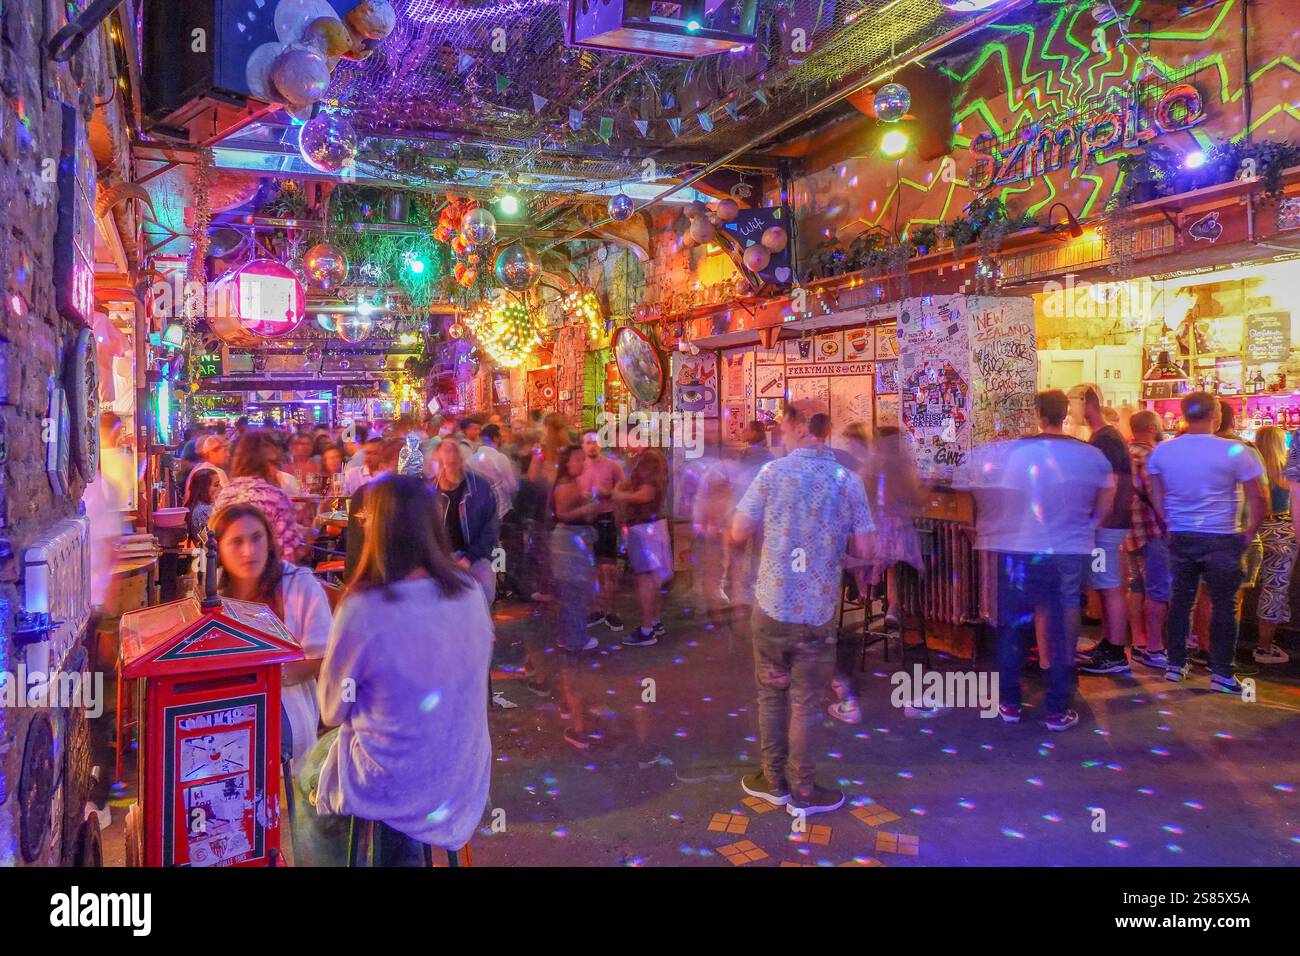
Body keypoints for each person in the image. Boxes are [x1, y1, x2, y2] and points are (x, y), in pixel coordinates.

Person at [316, 475, 492, 863]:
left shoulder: (365, 607)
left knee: (305, 776)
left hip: (399, 783)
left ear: (376, 528)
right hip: (464, 774)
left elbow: (332, 709)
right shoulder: (468, 590)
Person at [731, 399, 874, 817]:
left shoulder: (772, 473)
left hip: (772, 606)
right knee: (806, 703)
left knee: (770, 695)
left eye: (783, 420)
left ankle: (773, 782)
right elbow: (866, 547)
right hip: (816, 613)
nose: (779, 428)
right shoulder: (847, 480)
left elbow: (739, 530)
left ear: (797, 426)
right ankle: (806, 791)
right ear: (825, 430)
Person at [973, 390, 1114, 732]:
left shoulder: (1020, 453)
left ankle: (1009, 703)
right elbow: (1108, 494)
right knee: (1063, 630)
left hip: (1021, 549)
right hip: (1068, 550)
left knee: (1014, 628)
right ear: (1066, 414)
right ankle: (1056, 710)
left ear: (1039, 414)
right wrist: (1090, 524)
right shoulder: (1091, 455)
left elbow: (1007, 497)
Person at [1147, 392, 1266, 693]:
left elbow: (1156, 492)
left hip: (1181, 534)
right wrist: (1249, 531)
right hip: (1222, 536)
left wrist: (1168, 522)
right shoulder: (1236, 451)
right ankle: (1222, 674)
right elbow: (1258, 496)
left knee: (1181, 602)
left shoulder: (1163, 451)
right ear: (1216, 415)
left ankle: (1175, 666)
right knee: (1224, 606)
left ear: (1185, 414)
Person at [213, 504, 331, 765]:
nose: (249, 551)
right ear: (219, 550)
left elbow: (322, 656)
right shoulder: (211, 591)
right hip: (223, 720)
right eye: (236, 542)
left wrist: (267, 677)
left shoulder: (299, 584)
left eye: (257, 538)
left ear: (269, 541)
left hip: (288, 716)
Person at [1078, 385, 1135, 675]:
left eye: (1074, 401)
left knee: (1109, 584)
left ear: (1088, 404)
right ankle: (1108, 644)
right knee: (1104, 583)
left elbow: (1110, 486)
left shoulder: (1107, 439)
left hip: (1106, 526)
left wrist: (1095, 523)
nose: (1070, 408)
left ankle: (1115, 651)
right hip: (1106, 524)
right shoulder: (1103, 437)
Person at [1121, 410, 1171, 670]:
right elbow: (1158, 496)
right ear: (1152, 427)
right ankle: (1154, 647)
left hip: (1130, 531)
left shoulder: (1125, 453)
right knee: (1158, 589)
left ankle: (1138, 642)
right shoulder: (1150, 456)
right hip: (1152, 530)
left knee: (1136, 587)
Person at [213, 430, 305, 559]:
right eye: (274, 463)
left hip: (227, 574)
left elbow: (214, 545)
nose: (277, 470)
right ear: (265, 464)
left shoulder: (224, 495)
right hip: (268, 575)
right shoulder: (275, 498)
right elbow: (288, 556)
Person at [613, 442, 670, 647]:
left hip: (644, 526)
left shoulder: (648, 459)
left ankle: (647, 630)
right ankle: (654, 622)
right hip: (651, 525)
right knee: (651, 577)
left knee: (645, 579)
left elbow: (646, 494)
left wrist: (620, 496)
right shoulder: (652, 457)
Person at [432, 439, 501, 604]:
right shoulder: (430, 491)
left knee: (484, 597)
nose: (451, 456)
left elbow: (490, 530)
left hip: (478, 555)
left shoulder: (480, 487)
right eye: (446, 451)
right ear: (437, 458)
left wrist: (470, 557)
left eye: (454, 451)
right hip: (443, 558)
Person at [550, 445, 602, 655]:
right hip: (570, 543)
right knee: (575, 592)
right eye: (577, 459)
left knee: (571, 592)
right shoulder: (564, 486)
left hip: (572, 541)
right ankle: (576, 640)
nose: (582, 463)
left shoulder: (570, 483)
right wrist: (586, 507)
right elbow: (562, 513)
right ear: (567, 463)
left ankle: (568, 636)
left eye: (583, 459)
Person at [1251, 425, 1294, 664]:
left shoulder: (1252, 470)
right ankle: (1264, 647)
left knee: (1238, 590)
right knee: (1273, 589)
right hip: (1282, 533)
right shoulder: (1287, 471)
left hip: (1254, 531)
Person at [577, 431, 625, 630]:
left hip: (606, 518)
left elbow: (624, 490)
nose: (592, 446)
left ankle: (611, 610)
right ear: (582, 446)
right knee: (592, 568)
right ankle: (597, 609)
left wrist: (608, 493)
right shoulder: (578, 467)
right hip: (586, 520)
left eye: (595, 442)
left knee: (609, 568)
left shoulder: (612, 466)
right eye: (588, 443)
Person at [469, 423, 518, 521]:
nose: (503, 440)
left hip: (478, 509)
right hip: (500, 509)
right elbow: (512, 486)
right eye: (502, 437)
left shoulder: (470, 460)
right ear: (495, 438)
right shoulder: (501, 458)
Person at [184, 468, 221, 543]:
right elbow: (211, 541)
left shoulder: (197, 506)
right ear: (204, 488)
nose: (220, 488)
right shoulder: (203, 510)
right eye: (216, 485)